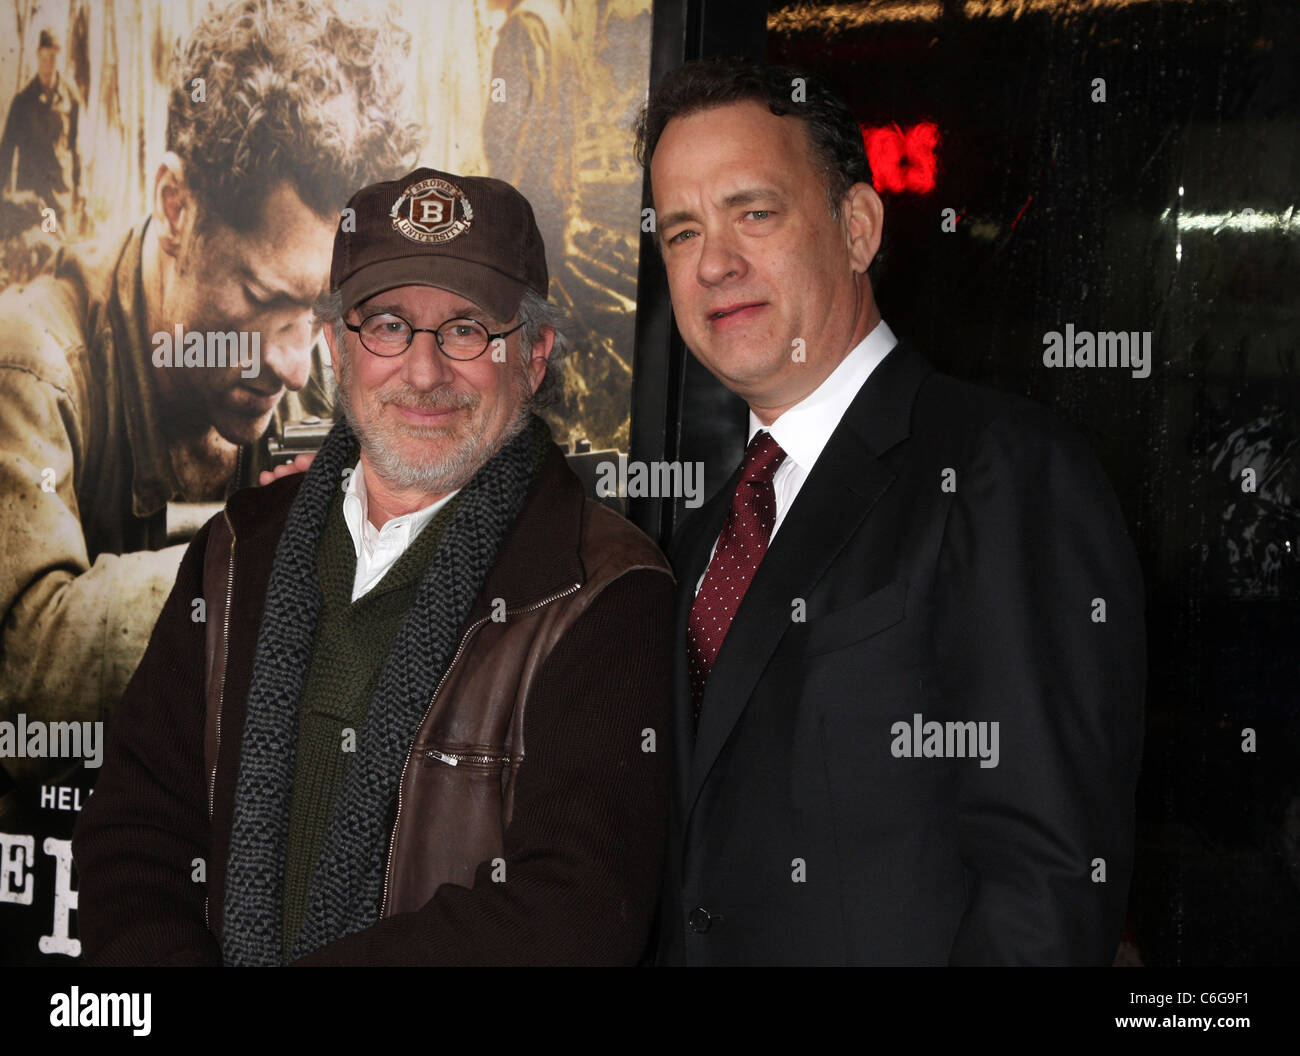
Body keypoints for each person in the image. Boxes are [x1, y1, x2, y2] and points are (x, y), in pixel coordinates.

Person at [72, 166, 674, 965]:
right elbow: (133, 831)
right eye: (388, 325)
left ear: (532, 356)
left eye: (466, 330)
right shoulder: (235, 553)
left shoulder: (606, 592)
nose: (423, 373)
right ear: (334, 348)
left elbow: (574, 914)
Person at [635, 60, 1146, 965]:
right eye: (681, 231)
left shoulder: (1001, 470)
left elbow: (1048, 884)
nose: (714, 261)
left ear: (859, 227)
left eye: (754, 212)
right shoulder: (707, 530)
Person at [0, 0, 419, 791]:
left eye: (323, 314)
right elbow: (20, 672)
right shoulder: (31, 366)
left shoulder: (325, 387)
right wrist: (268, 572)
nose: (298, 367)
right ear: (174, 206)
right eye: (264, 298)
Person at [0, 28, 81, 230]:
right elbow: (6, 151)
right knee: (34, 254)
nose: (48, 64)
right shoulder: (23, 100)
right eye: (44, 57)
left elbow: (75, 147)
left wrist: (80, 188)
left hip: (59, 196)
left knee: (59, 253)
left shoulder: (70, 98)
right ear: (37, 56)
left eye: (53, 57)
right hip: (31, 200)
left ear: (59, 58)